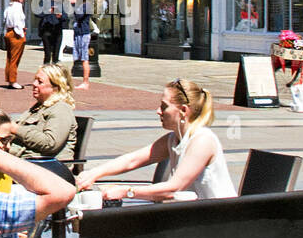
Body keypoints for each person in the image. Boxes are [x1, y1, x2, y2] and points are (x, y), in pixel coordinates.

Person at [76, 78, 234, 201]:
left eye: (164, 106)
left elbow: (173, 188)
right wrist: (95, 173)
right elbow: (133, 160)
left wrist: (126, 191)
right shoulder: (174, 138)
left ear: (183, 110)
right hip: (196, 217)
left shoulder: (202, 140)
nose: (158, 111)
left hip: (220, 221)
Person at [10, 64, 77, 160]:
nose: (34, 84)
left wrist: (15, 129)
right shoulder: (39, 108)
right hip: (25, 163)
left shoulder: (61, 109)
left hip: (46, 168)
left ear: (56, 87)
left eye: (40, 82)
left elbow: (50, 143)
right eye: (35, 80)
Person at [2, 0, 27, 88]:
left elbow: (4, 19)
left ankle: (9, 79)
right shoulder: (18, 7)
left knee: (9, 57)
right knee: (15, 58)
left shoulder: (9, 7)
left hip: (8, 32)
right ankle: (13, 81)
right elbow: (17, 22)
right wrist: (21, 34)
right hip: (16, 33)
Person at [70, 0, 92, 90]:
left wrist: (74, 5)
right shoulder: (81, 6)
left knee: (84, 58)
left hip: (84, 34)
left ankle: (85, 82)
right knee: (77, 57)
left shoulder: (86, 5)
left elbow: (79, 16)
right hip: (78, 33)